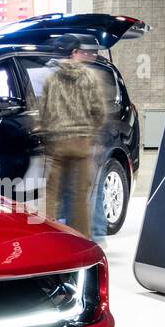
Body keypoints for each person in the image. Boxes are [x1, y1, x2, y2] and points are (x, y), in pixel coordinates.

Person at [38, 37, 108, 241]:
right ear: (75, 52)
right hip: (81, 142)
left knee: (51, 193)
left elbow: (44, 111)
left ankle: (47, 236)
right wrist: (90, 132)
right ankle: (80, 239)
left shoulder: (52, 78)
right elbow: (99, 111)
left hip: (57, 142)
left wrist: (49, 130)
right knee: (78, 195)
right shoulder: (89, 77)